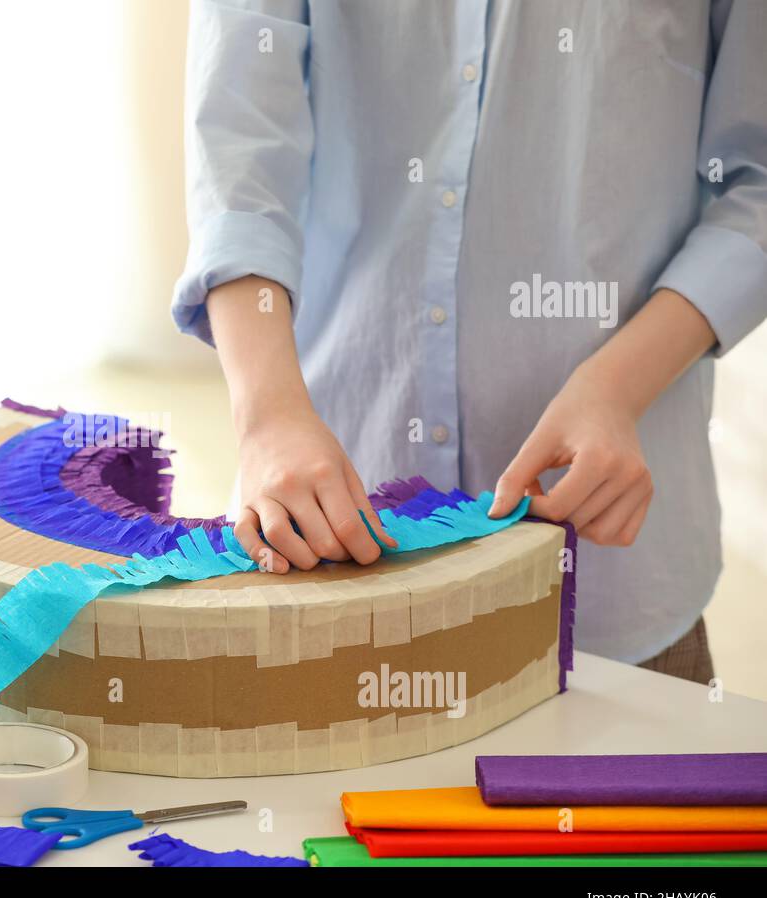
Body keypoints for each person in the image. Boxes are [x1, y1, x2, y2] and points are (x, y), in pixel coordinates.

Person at [172, 0, 767, 682]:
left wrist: (618, 387)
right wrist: (269, 417)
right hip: (323, 561)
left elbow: (758, 181)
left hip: (612, 597)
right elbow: (239, 153)